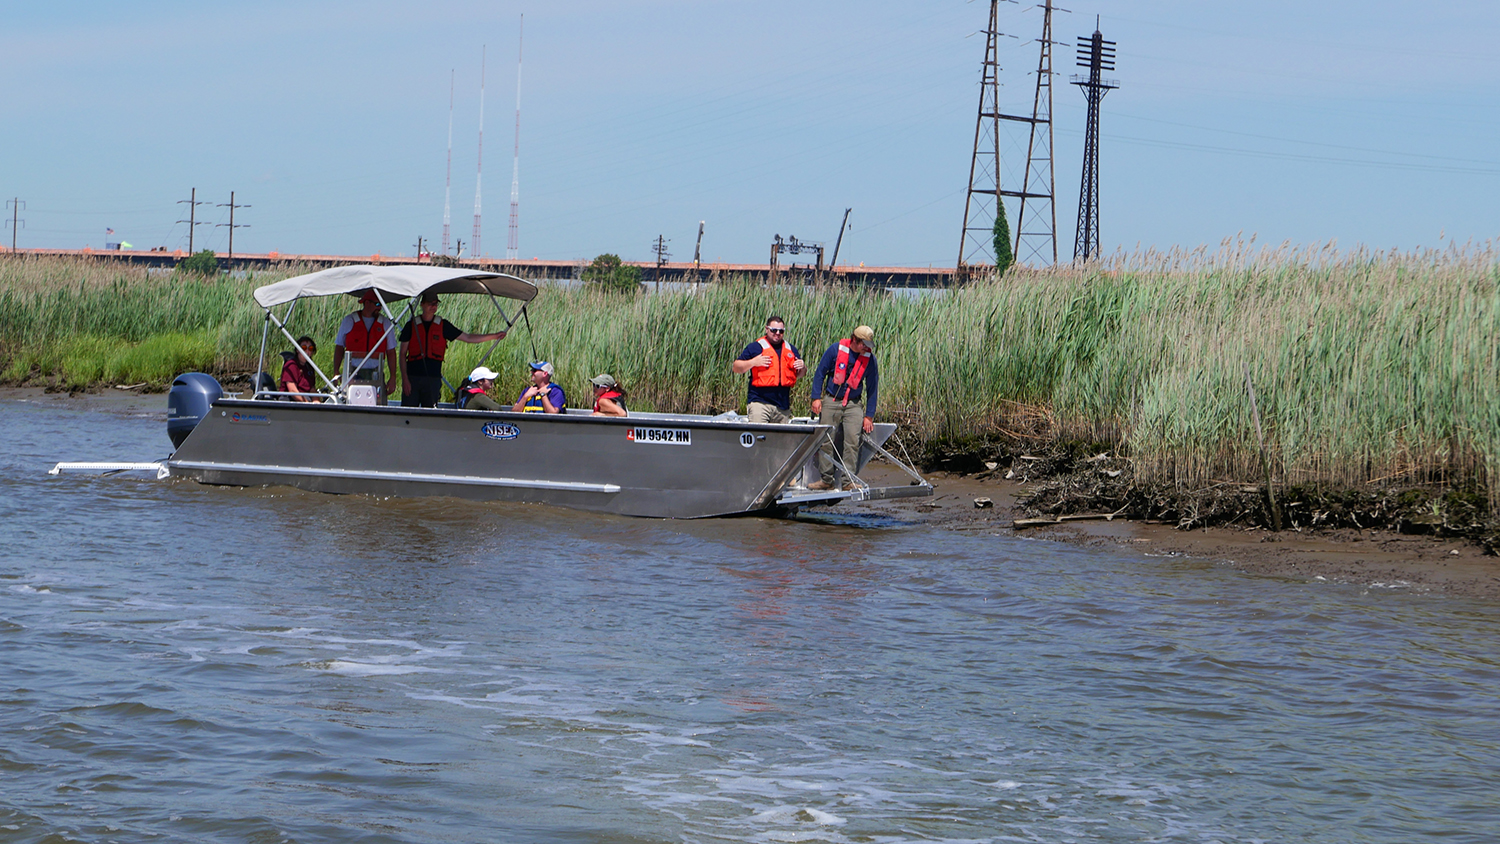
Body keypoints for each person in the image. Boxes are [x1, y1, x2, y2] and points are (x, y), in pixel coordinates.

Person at [398, 292, 508, 407]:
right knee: (408, 409)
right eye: (430, 304)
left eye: (435, 304)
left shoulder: (443, 326)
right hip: (412, 378)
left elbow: (468, 337)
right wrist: (405, 380)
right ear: (422, 305)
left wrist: (494, 336)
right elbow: (402, 354)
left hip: (433, 378)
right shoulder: (411, 326)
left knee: (429, 412)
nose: (433, 307)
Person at [808, 325, 879, 491]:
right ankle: (826, 479)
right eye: (864, 344)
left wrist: (869, 415)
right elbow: (820, 373)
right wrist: (816, 398)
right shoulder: (835, 350)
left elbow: (872, 388)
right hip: (832, 400)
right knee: (826, 440)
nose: (866, 348)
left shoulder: (870, 360)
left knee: (853, 442)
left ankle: (849, 481)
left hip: (853, 403)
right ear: (855, 340)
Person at [731, 315, 804, 424]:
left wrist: (803, 366)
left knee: (781, 440)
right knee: (759, 436)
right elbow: (736, 367)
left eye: (781, 331)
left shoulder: (790, 349)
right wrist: (753, 362)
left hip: (782, 407)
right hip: (760, 404)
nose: (777, 333)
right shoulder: (755, 347)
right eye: (774, 330)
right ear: (767, 329)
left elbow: (800, 374)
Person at [332, 289, 399, 404]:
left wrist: (393, 377)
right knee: (351, 402)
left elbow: (391, 352)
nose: (380, 308)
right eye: (377, 304)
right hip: (353, 372)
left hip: (375, 372)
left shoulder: (385, 323)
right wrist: (336, 371)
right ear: (367, 303)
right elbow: (339, 347)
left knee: (378, 403)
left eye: (381, 305)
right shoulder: (350, 321)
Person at [279, 335, 322, 402]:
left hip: (305, 398)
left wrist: (316, 402)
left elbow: (312, 389)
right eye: (304, 348)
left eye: (310, 348)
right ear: (297, 350)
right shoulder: (291, 365)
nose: (307, 351)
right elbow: (293, 391)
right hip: (290, 400)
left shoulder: (309, 367)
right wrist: (307, 404)